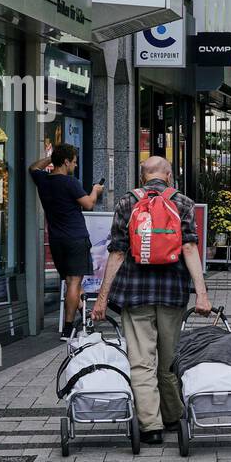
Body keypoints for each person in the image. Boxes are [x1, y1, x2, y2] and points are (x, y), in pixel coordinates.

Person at [92, 156, 212, 446]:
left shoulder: (126, 202)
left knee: (141, 362)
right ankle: (172, 416)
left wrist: (102, 298)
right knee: (168, 361)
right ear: (169, 176)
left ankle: (151, 426)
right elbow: (189, 248)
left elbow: (117, 253)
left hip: (134, 295)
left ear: (142, 177)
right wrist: (202, 294)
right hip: (172, 294)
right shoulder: (183, 202)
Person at [30, 144, 104, 339]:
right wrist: (95, 190)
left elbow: (33, 167)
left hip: (56, 240)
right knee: (74, 282)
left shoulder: (43, 180)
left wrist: (50, 159)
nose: (76, 164)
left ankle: (84, 318)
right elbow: (88, 204)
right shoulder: (70, 182)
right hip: (75, 238)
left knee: (71, 282)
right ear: (66, 162)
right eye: (74, 160)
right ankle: (69, 327)